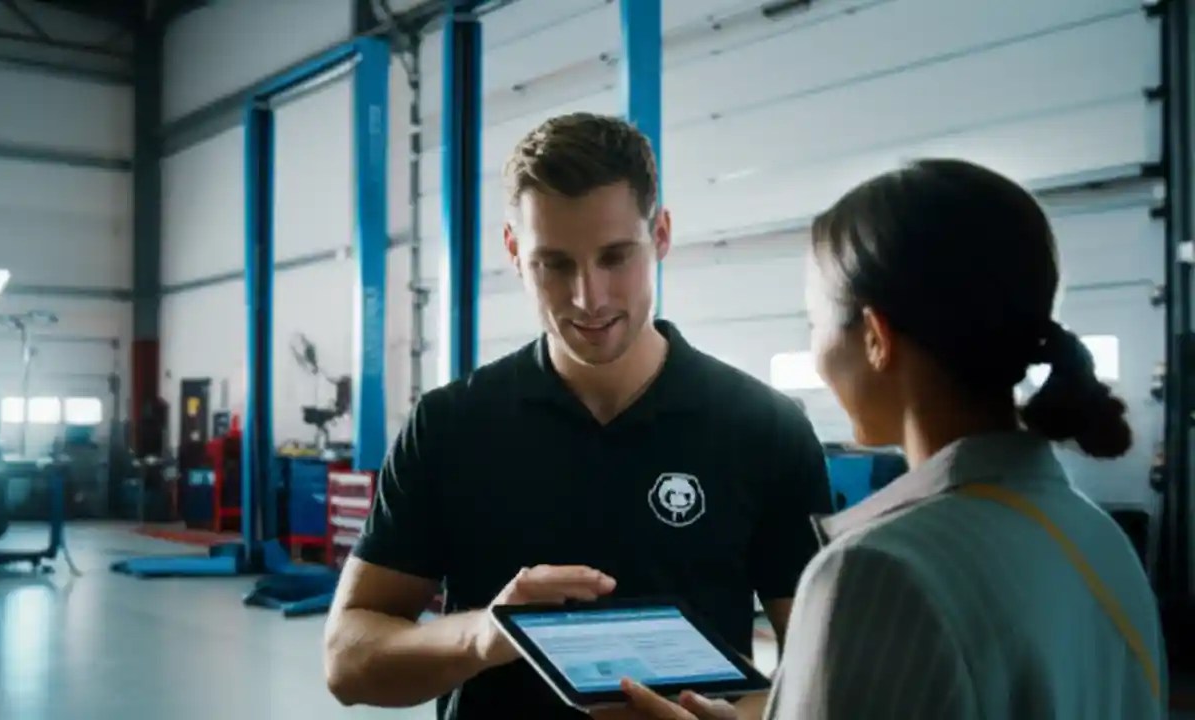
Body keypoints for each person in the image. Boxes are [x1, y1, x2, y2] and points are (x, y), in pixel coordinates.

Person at [610, 158, 1168, 719]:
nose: (816, 350)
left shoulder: (876, 573)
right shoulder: (1099, 541)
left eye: (815, 322)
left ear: (876, 337)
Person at [322, 112, 834, 719]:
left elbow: (822, 674)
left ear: (662, 234)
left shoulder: (765, 430)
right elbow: (347, 663)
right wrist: (486, 635)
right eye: (555, 264)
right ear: (513, 250)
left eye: (616, 257)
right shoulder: (450, 428)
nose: (589, 297)